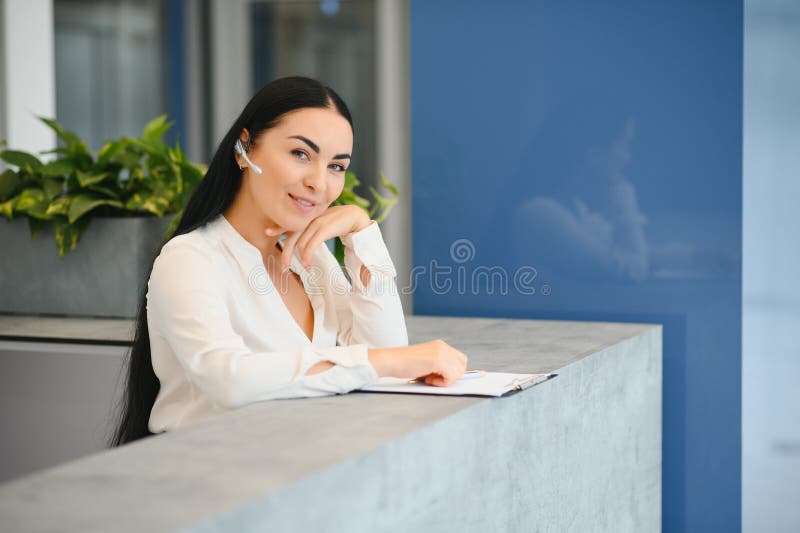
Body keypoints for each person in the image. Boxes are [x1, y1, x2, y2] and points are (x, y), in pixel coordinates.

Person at [109, 76, 467, 446]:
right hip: (209, 479)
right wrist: (386, 362)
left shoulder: (311, 261)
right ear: (243, 149)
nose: (319, 182)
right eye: (301, 154)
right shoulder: (190, 259)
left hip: (298, 471)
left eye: (336, 166)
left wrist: (362, 233)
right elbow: (229, 380)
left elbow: (386, 349)